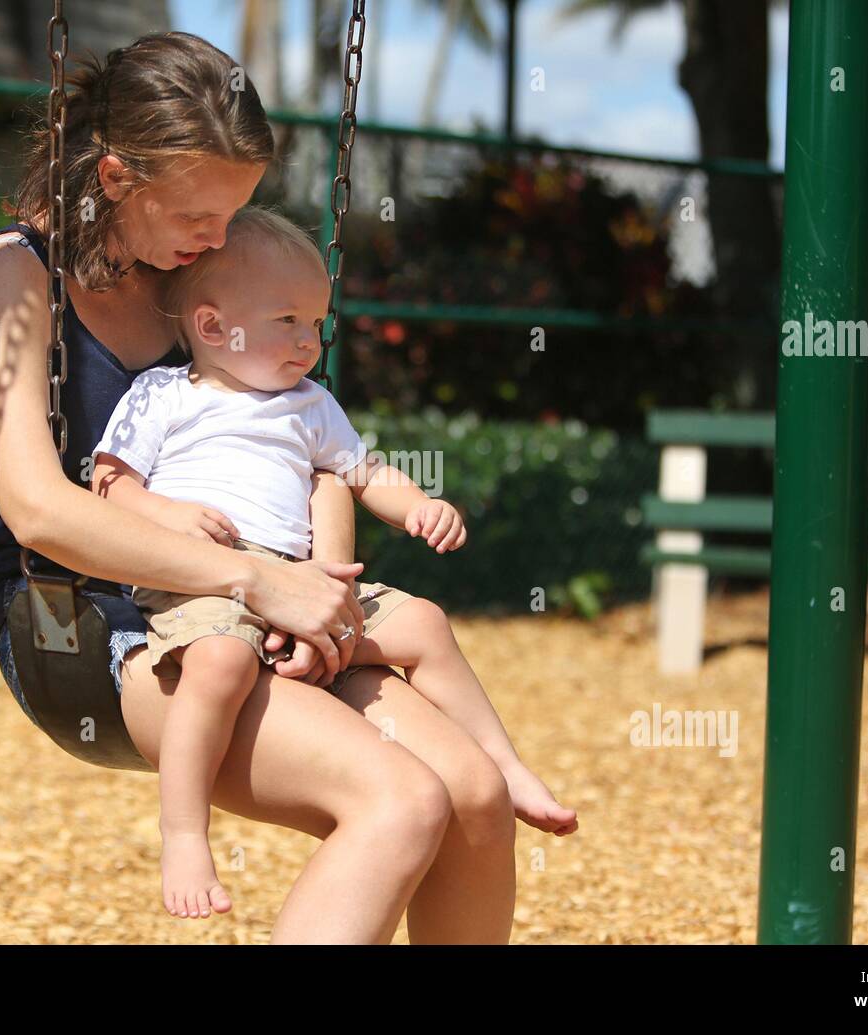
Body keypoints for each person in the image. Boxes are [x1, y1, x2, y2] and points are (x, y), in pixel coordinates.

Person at [0, 31, 560, 945]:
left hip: (262, 600)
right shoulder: (14, 281)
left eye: (237, 213)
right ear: (114, 178)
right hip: (96, 627)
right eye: (201, 215)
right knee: (400, 803)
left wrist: (326, 600)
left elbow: (310, 448)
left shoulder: (191, 277)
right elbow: (38, 507)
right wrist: (257, 583)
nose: (219, 239)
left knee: (472, 797)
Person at [89, 205, 578, 921]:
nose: (307, 342)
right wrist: (169, 516)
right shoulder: (165, 395)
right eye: (287, 320)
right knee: (220, 663)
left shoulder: (310, 404)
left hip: (302, 578)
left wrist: (415, 506)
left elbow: (363, 471)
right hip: (205, 576)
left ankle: (502, 765)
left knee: (428, 624)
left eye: (316, 324)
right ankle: (185, 832)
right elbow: (110, 483)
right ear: (213, 326)